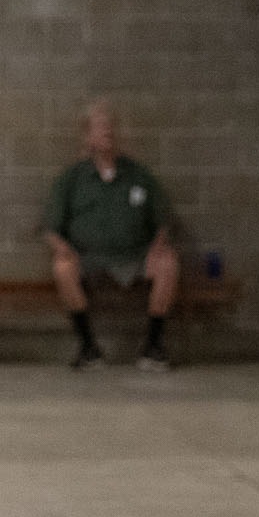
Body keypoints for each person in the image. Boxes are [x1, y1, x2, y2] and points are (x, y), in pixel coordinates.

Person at [42, 99, 179, 372]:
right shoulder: (72, 177)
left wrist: (157, 246)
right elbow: (51, 227)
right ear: (88, 135)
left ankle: (154, 346)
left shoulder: (138, 174)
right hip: (87, 256)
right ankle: (88, 348)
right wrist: (61, 247)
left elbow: (161, 219)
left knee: (169, 263)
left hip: (134, 254)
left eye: (111, 127)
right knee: (62, 267)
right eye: (100, 127)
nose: (107, 132)